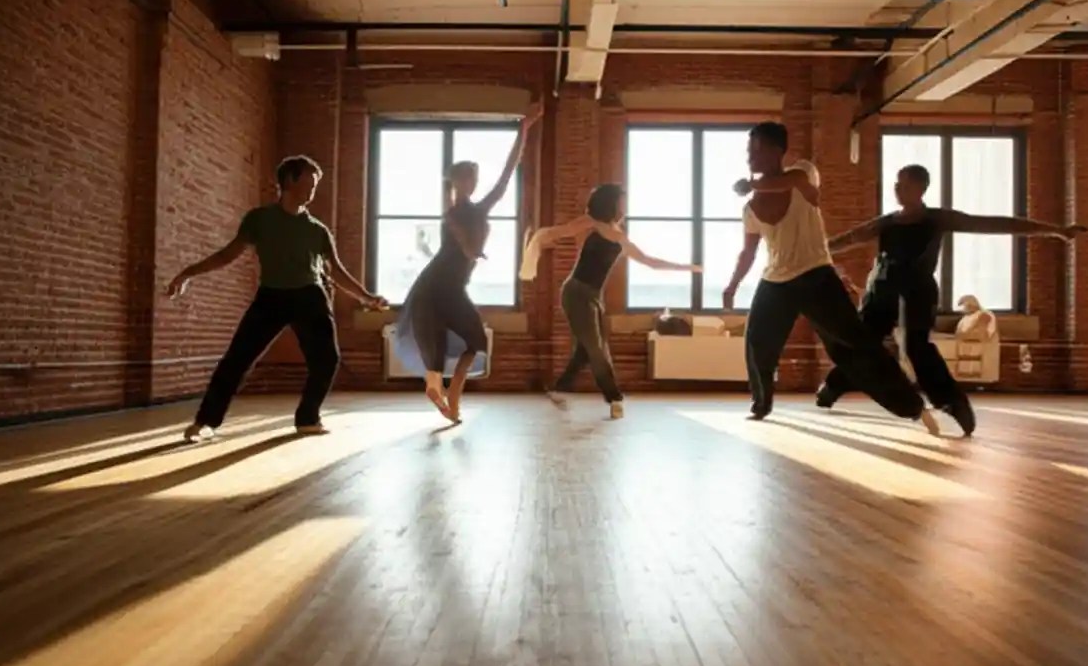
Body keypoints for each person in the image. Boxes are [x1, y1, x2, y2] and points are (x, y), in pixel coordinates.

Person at [813, 164, 1087, 435]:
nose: (897, 188)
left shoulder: (937, 219)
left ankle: (953, 404)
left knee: (917, 348)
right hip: (882, 291)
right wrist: (812, 251)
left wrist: (1056, 230)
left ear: (920, 188)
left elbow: (993, 223)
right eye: (896, 183)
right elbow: (849, 239)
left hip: (917, 291)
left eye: (904, 184)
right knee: (863, 345)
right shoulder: (887, 222)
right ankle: (833, 388)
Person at [723, 122, 938, 433]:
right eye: (748, 151)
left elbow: (792, 181)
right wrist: (732, 285)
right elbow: (748, 252)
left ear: (777, 151)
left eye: (757, 150)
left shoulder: (802, 175)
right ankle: (761, 404)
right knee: (757, 341)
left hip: (816, 276)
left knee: (854, 346)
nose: (750, 157)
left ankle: (911, 405)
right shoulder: (750, 208)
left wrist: (752, 185)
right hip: (776, 281)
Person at [167, 155, 386, 442]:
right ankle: (206, 421)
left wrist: (366, 297)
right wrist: (188, 273)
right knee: (237, 360)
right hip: (271, 297)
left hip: (310, 297)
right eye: (309, 182)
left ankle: (308, 418)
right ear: (290, 181)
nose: (313, 190)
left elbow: (337, 271)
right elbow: (227, 254)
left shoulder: (317, 230)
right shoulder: (259, 219)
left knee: (327, 359)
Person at [394, 104, 544, 422]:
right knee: (470, 339)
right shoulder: (455, 213)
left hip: (446, 284)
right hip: (440, 283)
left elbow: (507, 174)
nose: (474, 182)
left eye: (475, 178)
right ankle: (448, 396)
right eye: (469, 178)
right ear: (459, 182)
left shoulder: (476, 208)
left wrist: (524, 129)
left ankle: (445, 394)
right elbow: (460, 235)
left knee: (467, 340)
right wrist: (472, 250)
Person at [532, 184, 700, 419]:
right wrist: (540, 238)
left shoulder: (620, 236)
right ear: (609, 203)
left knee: (587, 347)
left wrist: (687, 268)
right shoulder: (590, 223)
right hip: (576, 292)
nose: (624, 206)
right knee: (596, 347)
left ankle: (560, 389)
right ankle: (614, 398)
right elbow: (561, 231)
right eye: (621, 201)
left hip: (594, 296)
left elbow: (650, 262)